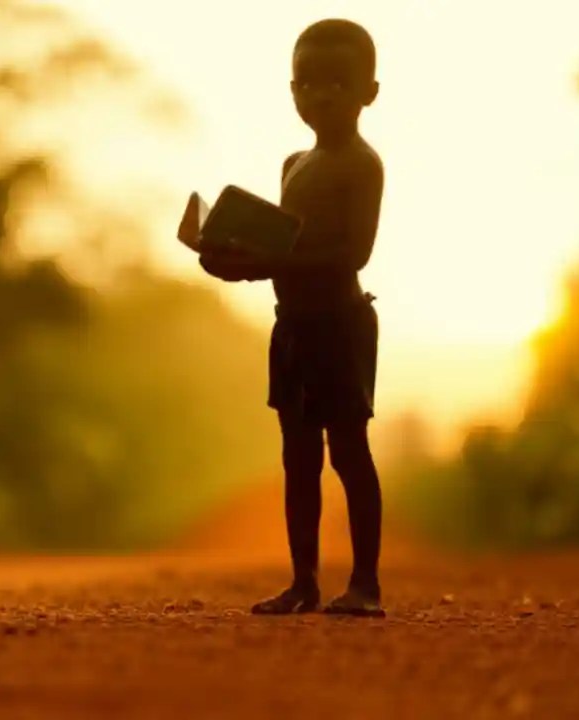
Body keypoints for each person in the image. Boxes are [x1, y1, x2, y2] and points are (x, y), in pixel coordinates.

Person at [199, 18, 386, 617]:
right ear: (292, 91)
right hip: (294, 325)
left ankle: (365, 585)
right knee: (297, 455)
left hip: (339, 322)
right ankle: (302, 582)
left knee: (348, 450)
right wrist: (231, 256)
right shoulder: (293, 164)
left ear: (369, 92)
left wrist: (261, 263)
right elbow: (287, 242)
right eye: (308, 83)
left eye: (338, 81)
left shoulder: (362, 164)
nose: (321, 94)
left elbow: (352, 253)